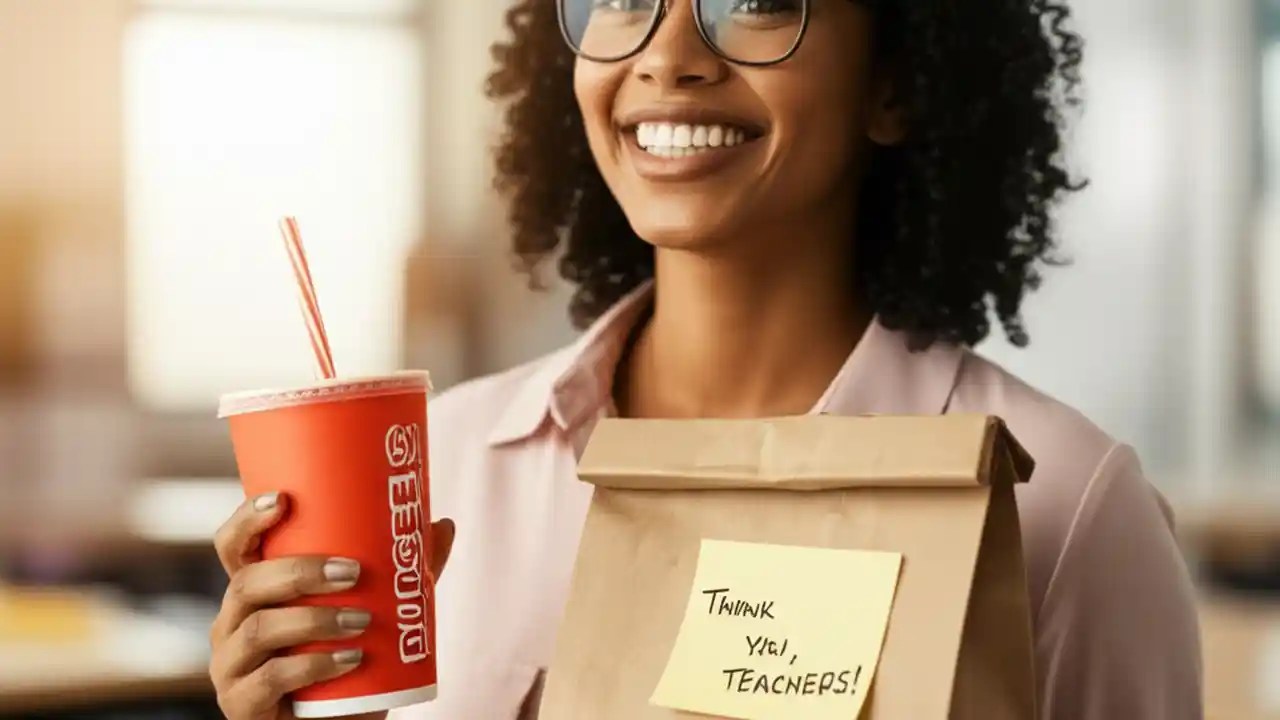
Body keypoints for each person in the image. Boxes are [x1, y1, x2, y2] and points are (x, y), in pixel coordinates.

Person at [208, 0, 1204, 717]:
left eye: (759, 1)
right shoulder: (434, 464)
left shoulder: (1065, 508)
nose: (668, 52)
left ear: (895, 80)